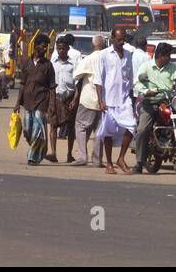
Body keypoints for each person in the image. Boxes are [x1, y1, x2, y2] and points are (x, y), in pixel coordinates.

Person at [131, 42, 176, 172]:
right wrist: (145, 91)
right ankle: (139, 162)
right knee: (143, 129)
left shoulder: (172, 68)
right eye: (168, 55)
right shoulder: (146, 66)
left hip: (167, 102)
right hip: (150, 102)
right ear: (161, 56)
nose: (170, 58)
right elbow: (137, 82)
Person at [94, 31, 137, 175]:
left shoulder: (128, 55)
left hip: (124, 100)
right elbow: (98, 80)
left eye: (123, 40)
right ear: (112, 39)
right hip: (109, 100)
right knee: (108, 132)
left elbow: (130, 79)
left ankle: (121, 158)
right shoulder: (104, 55)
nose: (121, 42)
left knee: (131, 126)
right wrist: (101, 101)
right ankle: (109, 163)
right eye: (119, 39)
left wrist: (132, 99)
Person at [14, 34, 54, 165]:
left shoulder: (48, 65)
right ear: (36, 46)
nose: (45, 49)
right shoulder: (27, 63)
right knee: (27, 130)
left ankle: (33, 157)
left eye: (46, 47)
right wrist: (17, 103)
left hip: (42, 101)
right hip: (28, 101)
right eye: (43, 46)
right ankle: (40, 148)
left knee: (38, 130)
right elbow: (22, 84)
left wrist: (51, 105)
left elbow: (52, 87)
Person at [71, 34, 107, 167]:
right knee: (99, 130)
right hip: (104, 100)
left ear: (93, 45)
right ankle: (97, 159)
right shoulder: (108, 58)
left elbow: (76, 75)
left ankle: (82, 156)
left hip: (89, 98)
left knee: (80, 126)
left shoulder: (89, 58)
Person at [48, 35, 79, 163]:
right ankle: (53, 153)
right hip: (55, 98)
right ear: (56, 49)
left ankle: (69, 154)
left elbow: (77, 84)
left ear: (67, 49)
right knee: (53, 125)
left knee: (71, 127)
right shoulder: (52, 64)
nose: (61, 51)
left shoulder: (73, 65)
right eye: (59, 48)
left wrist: (75, 100)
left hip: (69, 99)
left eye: (63, 49)